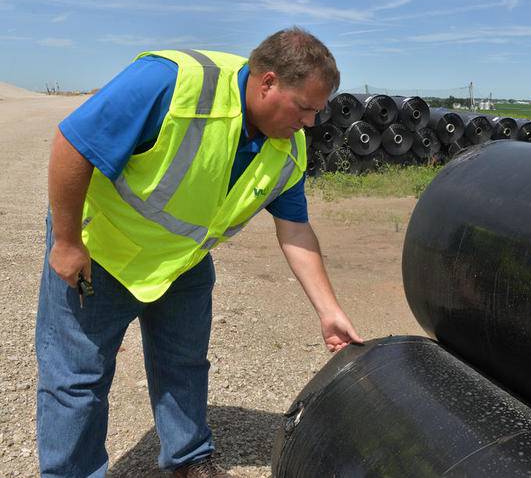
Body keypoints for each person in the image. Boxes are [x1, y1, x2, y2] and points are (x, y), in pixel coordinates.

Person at [36, 27, 363, 477]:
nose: (309, 122)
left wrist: (329, 310)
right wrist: (67, 243)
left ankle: (187, 458)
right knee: (77, 382)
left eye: (317, 112)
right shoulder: (171, 83)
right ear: (267, 82)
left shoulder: (288, 149)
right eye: (304, 107)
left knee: (184, 364)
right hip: (100, 252)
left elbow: (295, 230)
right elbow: (73, 144)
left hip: (181, 263)